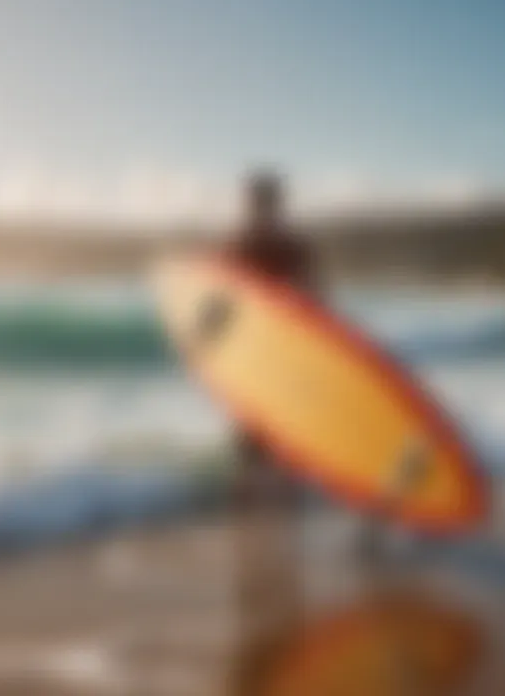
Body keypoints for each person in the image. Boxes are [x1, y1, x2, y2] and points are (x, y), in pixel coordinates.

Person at [223, 171, 319, 694]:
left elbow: (220, 304)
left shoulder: (241, 243)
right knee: (277, 430)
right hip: (284, 350)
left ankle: (248, 504)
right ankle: (281, 498)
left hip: (254, 352)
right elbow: (317, 300)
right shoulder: (293, 244)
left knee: (252, 432)